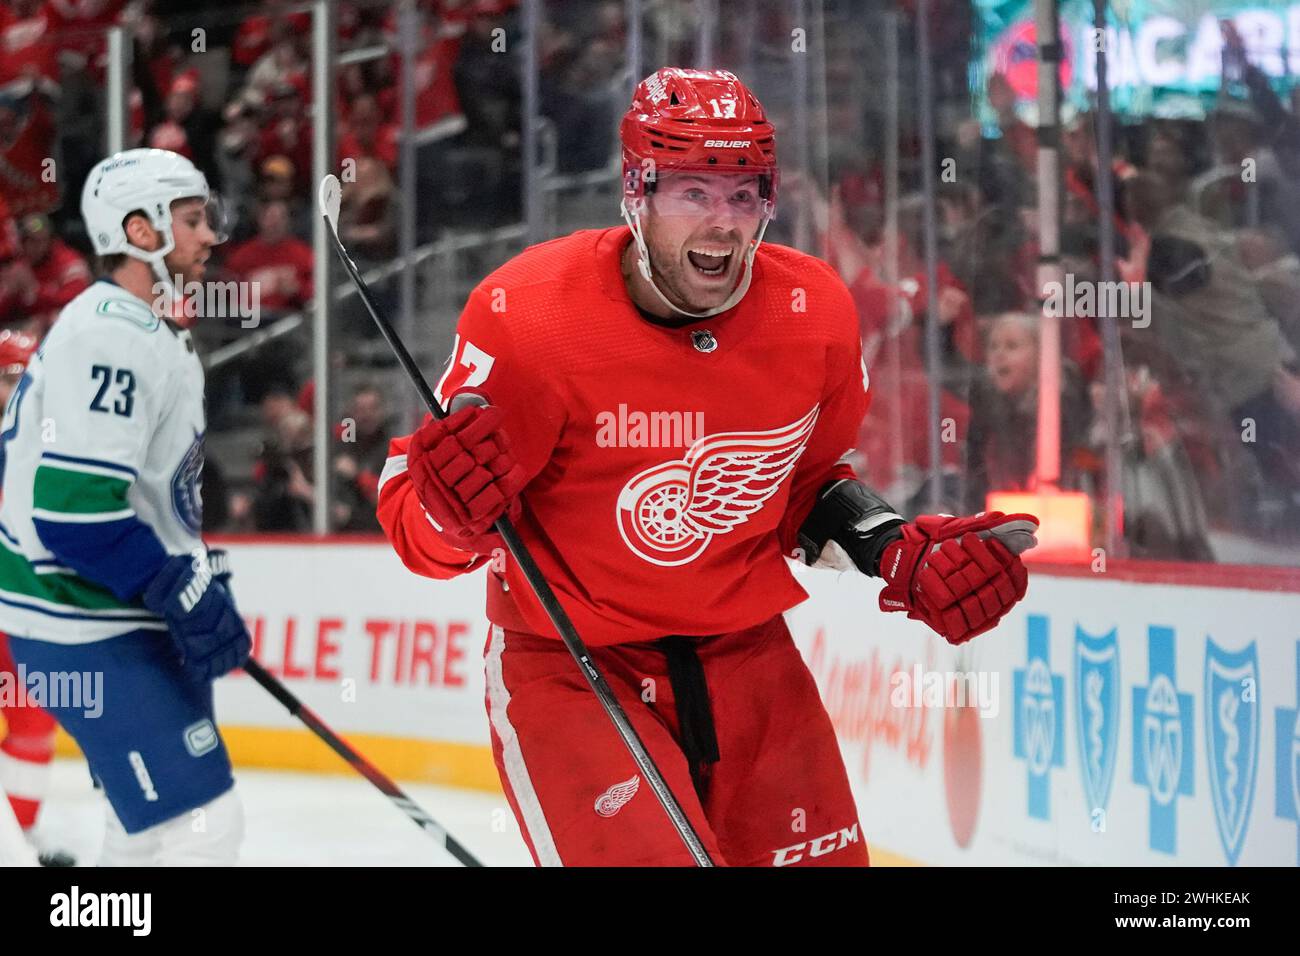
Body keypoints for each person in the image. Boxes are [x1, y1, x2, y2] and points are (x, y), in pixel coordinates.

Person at [377, 68, 1039, 867]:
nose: (723, 225)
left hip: (750, 664)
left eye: (743, 194)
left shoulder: (814, 315)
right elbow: (423, 531)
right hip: (576, 671)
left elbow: (799, 485)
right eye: (693, 192)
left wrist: (894, 547)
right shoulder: (530, 319)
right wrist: (447, 514)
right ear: (637, 192)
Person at [0, 148, 251, 866]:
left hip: (107, 618)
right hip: (79, 622)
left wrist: (191, 578)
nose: (210, 236)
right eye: (193, 220)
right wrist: (181, 591)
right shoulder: (110, 334)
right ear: (141, 233)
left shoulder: (144, 329)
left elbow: (146, 501)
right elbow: (77, 514)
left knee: (135, 835)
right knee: (204, 825)